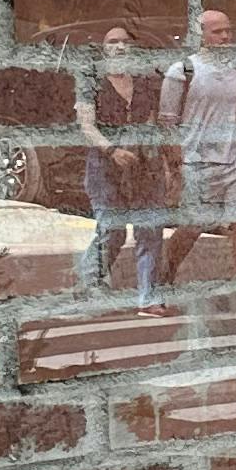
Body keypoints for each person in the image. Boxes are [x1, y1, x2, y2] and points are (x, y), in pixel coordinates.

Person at [160, 6, 236, 285]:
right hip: (198, 161)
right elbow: (167, 124)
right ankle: (163, 276)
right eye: (217, 31)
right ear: (201, 35)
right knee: (193, 227)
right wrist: (176, 168)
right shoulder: (182, 71)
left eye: (228, 31)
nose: (225, 37)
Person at [73, 23, 165, 306]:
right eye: (113, 41)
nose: (120, 46)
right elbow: (86, 126)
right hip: (104, 167)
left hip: (142, 165)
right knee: (112, 231)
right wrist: (111, 149)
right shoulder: (91, 80)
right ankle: (90, 281)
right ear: (103, 48)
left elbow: (152, 120)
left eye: (125, 41)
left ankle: (149, 297)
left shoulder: (144, 80)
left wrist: (158, 157)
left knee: (150, 230)